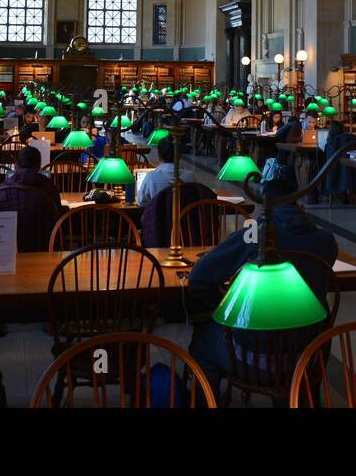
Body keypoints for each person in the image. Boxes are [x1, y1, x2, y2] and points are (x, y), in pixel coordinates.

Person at [186, 176, 338, 388]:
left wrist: (225, 307)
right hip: (307, 356)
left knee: (204, 337)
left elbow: (198, 278)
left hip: (253, 358)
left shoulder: (254, 236)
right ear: (298, 204)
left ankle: (207, 400)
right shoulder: (326, 241)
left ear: (263, 204)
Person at [137, 137, 184, 209]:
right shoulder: (191, 176)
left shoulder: (151, 177)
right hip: (184, 219)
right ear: (180, 156)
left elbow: (141, 202)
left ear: (159, 156)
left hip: (158, 219)